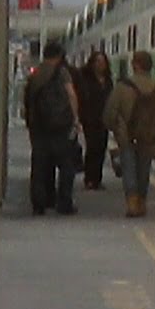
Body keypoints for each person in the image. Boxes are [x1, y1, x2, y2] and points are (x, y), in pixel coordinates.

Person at [102, 51, 155, 217]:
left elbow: (110, 113)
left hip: (126, 136)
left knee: (129, 169)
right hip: (149, 137)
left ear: (135, 65)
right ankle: (142, 203)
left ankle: (132, 204)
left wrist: (115, 129)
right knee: (144, 170)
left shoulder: (122, 87)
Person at [23, 42, 81, 215]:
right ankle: (64, 203)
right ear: (59, 56)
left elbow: (28, 99)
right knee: (66, 166)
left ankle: (39, 204)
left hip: (39, 127)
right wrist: (75, 118)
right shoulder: (62, 72)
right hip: (61, 126)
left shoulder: (36, 73)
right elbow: (71, 94)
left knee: (39, 166)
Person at [77, 51, 114, 190]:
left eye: (103, 62)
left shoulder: (108, 80)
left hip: (104, 118)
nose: (101, 64)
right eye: (98, 61)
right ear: (92, 63)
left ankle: (97, 178)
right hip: (90, 118)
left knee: (102, 148)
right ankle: (89, 179)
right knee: (92, 147)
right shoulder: (86, 79)